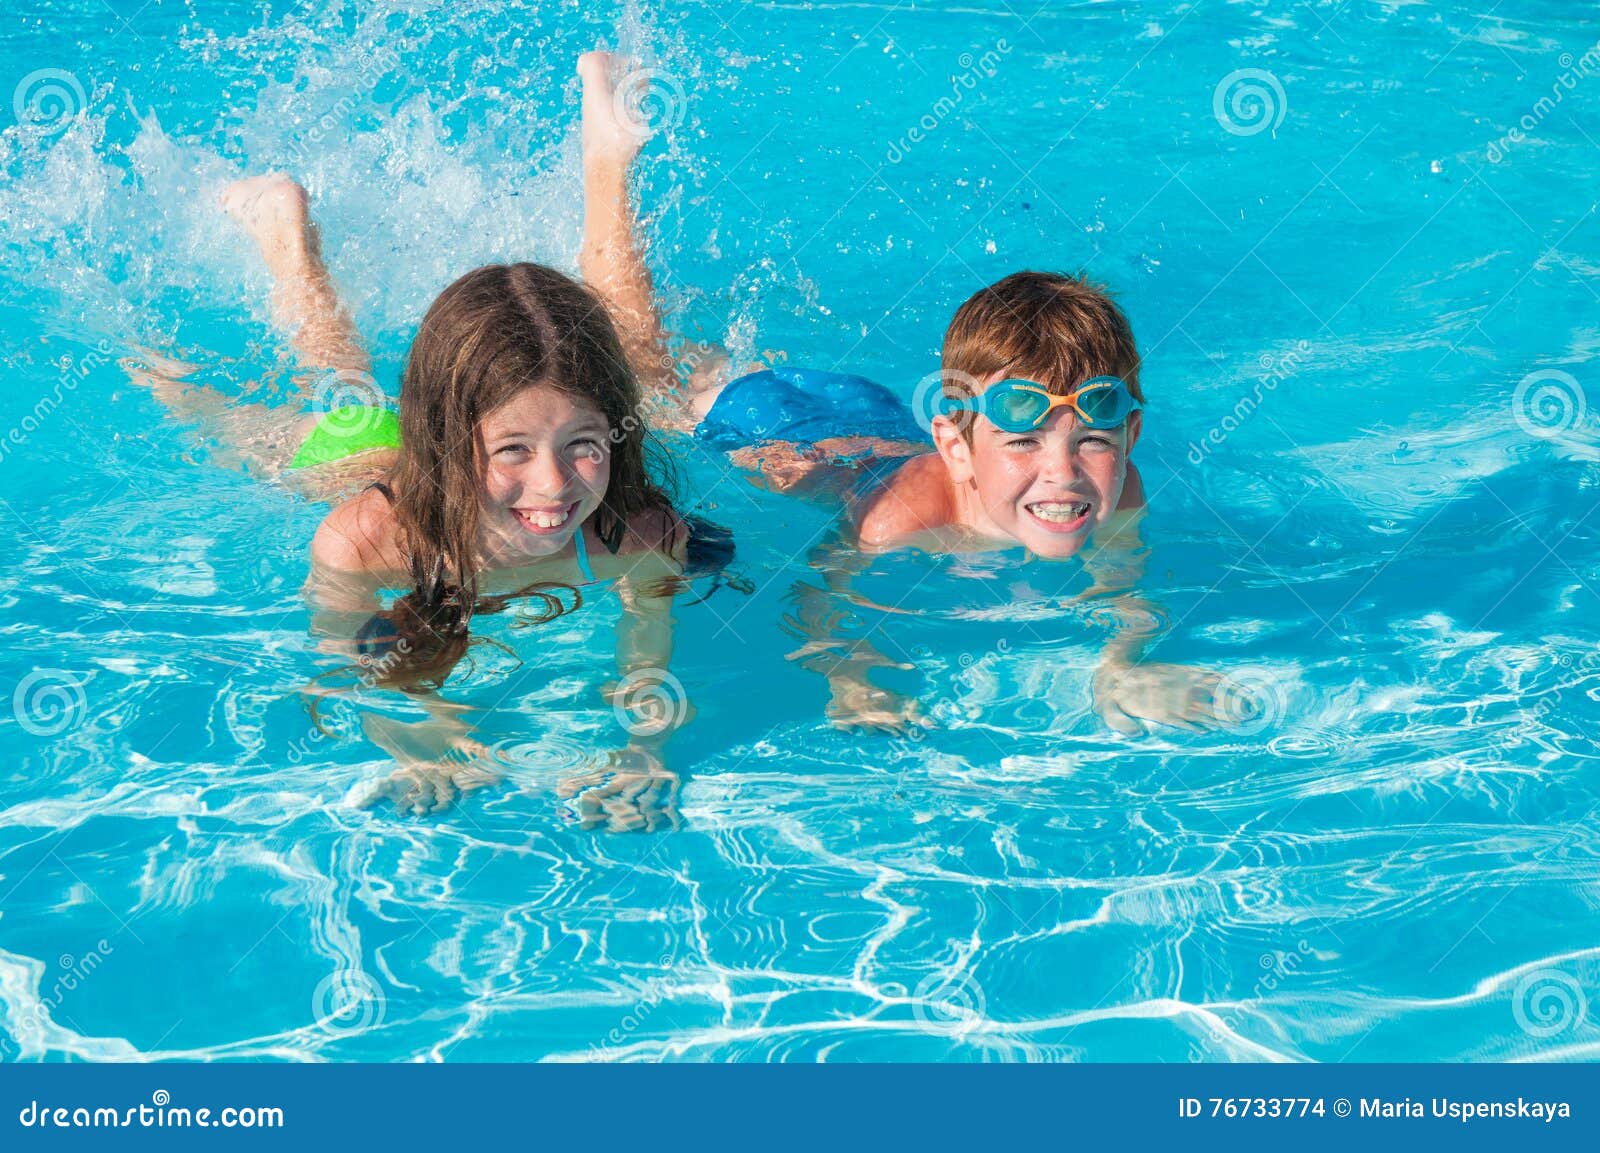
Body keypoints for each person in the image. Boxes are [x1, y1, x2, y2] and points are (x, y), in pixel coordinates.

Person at [133, 53, 714, 827]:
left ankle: (606, 165)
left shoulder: (636, 533)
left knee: (641, 367)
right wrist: (427, 736)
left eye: (584, 443)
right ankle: (284, 237)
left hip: (473, 438)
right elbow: (345, 667)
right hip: (362, 454)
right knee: (320, 383)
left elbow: (648, 657)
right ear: (450, 441)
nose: (554, 486)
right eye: (514, 450)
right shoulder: (364, 540)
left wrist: (646, 752)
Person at [674, 271, 1225, 735]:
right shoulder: (899, 520)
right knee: (664, 387)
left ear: (1129, 437)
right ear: (957, 450)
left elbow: (1121, 579)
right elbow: (820, 595)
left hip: (877, 415)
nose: (1064, 473)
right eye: (1022, 441)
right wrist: (853, 675)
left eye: (1094, 441)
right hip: (773, 428)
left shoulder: (1121, 485)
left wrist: (1122, 664)